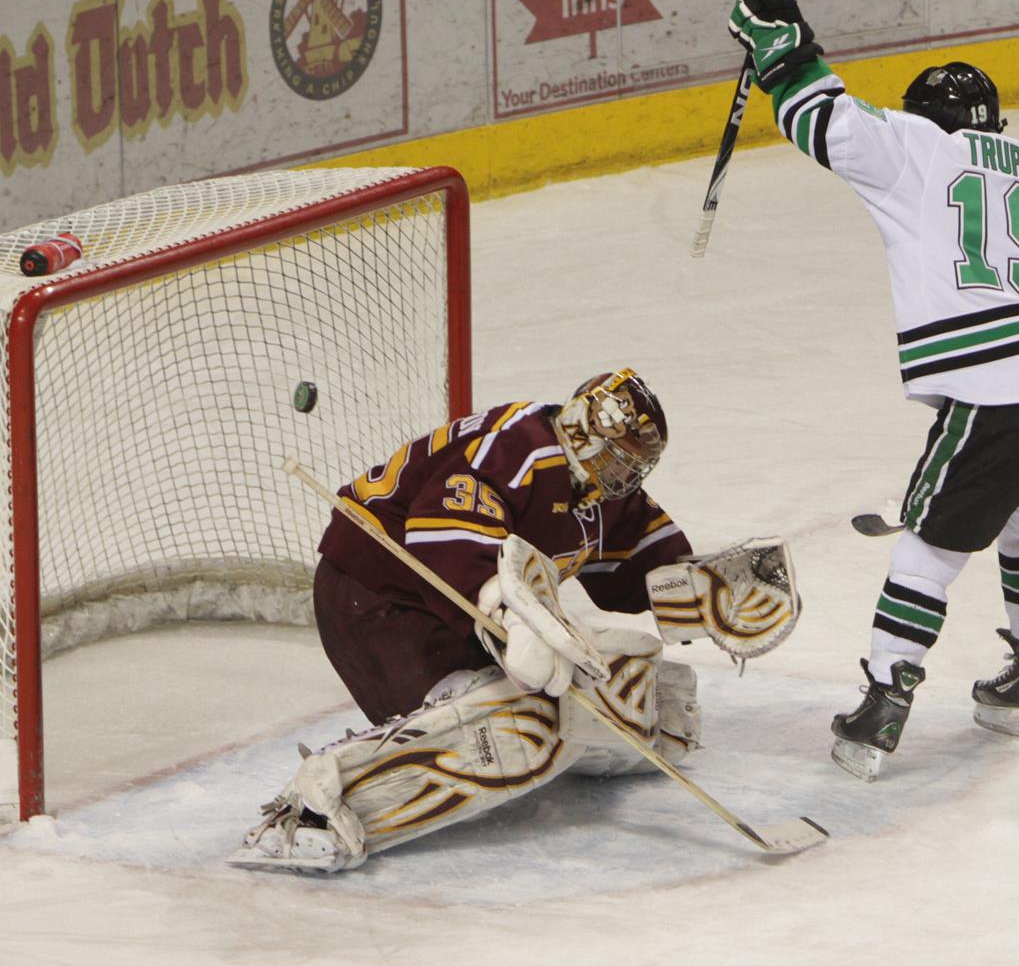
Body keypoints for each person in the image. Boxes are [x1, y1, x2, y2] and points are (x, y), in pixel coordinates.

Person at [726, 0, 1019, 781]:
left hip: (1000, 398)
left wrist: (781, 43)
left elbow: (822, 117)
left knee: (928, 553)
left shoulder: (919, 147)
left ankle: (881, 709)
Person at [228, 369, 801, 871]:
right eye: (619, 459)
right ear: (583, 430)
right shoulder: (518, 447)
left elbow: (641, 562)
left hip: (453, 605)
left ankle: (514, 718)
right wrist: (511, 619)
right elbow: (442, 535)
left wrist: (705, 591)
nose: (626, 475)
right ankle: (318, 808)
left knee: (650, 700)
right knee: (508, 728)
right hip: (382, 598)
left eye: (636, 465)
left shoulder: (597, 484)